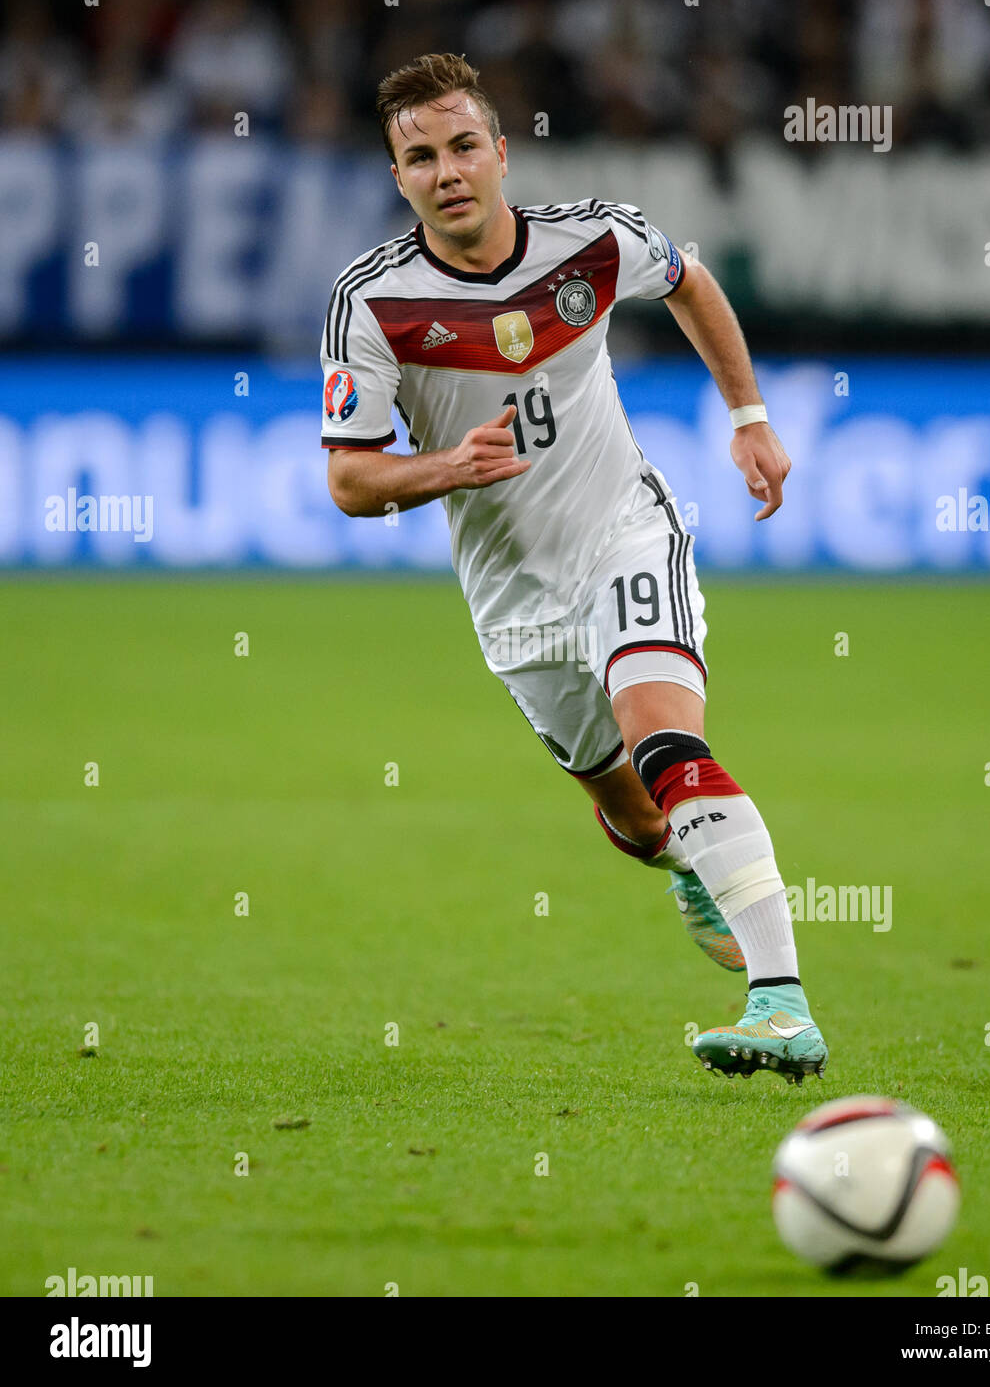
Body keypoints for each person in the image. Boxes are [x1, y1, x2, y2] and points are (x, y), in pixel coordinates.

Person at [322, 53, 827, 1084]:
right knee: (639, 816)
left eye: (464, 145)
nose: (448, 169)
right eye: (421, 156)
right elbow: (350, 480)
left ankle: (781, 1003)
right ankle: (685, 857)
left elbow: (690, 282)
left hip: (624, 535)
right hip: (513, 597)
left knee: (666, 741)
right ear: (398, 177)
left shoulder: (594, 239)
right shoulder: (373, 305)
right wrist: (445, 467)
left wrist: (749, 418)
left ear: (502, 152)